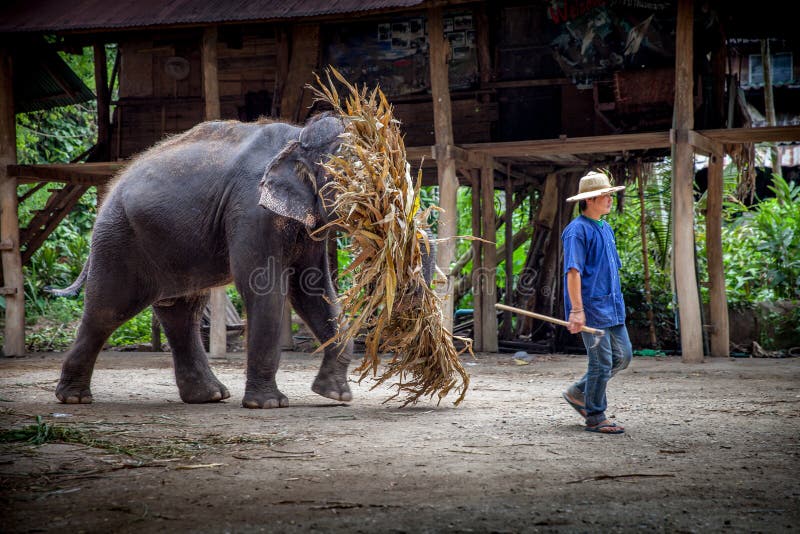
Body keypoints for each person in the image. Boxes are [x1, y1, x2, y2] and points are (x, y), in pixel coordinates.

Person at [560, 171, 632, 434]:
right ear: (589, 199)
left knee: (623, 357)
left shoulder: (605, 227)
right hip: (591, 307)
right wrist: (577, 310)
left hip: (612, 305)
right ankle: (595, 415)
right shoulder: (576, 231)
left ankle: (579, 392)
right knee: (601, 362)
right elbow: (573, 272)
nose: (610, 198)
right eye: (605, 194)